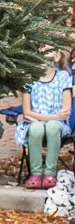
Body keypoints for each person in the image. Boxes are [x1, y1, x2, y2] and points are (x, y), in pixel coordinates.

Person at [18, 54, 73, 189]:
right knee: (36, 129)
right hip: (33, 123)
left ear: (57, 56)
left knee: (52, 127)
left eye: (47, 51)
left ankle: (50, 173)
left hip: (58, 124)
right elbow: (27, 112)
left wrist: (49, 120)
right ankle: (35, 174)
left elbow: (66, 111)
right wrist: (51, 118)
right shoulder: (29, 78)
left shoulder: (63, 77)